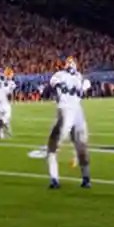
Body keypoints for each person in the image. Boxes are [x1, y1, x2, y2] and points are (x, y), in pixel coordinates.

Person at [45, 56, 91, 189]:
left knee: (52, 149)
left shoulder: (59, 75)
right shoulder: (80, 77)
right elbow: (83, 91)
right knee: (81, 147)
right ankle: (86, 178)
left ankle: (54, 179)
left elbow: (50, 89)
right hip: (78, 113)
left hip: (65, 112)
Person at [0, 67, 16, 139]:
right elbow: (10, 93)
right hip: (2, 100)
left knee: (0, 116)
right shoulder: (10, 83)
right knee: (7, 115)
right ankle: (2, 126)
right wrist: (12, 100)